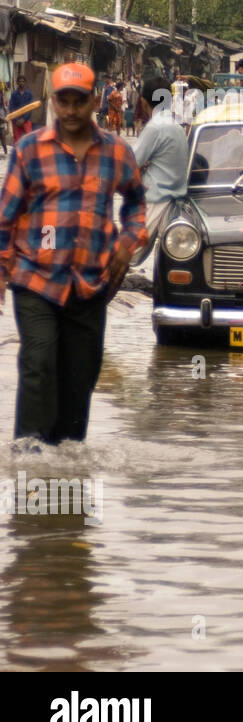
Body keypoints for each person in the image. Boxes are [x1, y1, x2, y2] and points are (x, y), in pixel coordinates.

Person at [0, 62, 147, 444]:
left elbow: (135, 201)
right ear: (53, 102)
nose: (70, 110)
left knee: (80, 377)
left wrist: (127, 244)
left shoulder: (116, 152)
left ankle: (67, 462)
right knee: (39, 362)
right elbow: (6, 216)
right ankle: (28, 455)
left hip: (90, 283)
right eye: (62, 102)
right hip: (36, 278)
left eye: (78, 102)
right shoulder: (30, 150)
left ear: (94, 101)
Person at [129, 76, 189, 266]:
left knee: (127, 254)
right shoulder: (176, 126)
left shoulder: (155, 127)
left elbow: (131, 162)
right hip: (175, 197)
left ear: (143, 102)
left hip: (156, 197)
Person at [8, 76, 35, 143]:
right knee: (17, 140)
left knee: (29, 139)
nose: (21, 83)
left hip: (26, 120)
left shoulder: (29, 94)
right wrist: (16, 120)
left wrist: (23, 119)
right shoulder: (14, 94)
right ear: (17, 82)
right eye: (20, 81)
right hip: (16, 121)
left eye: (23, 81)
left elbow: (30, 108)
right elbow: (11, 107)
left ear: (25, 82)